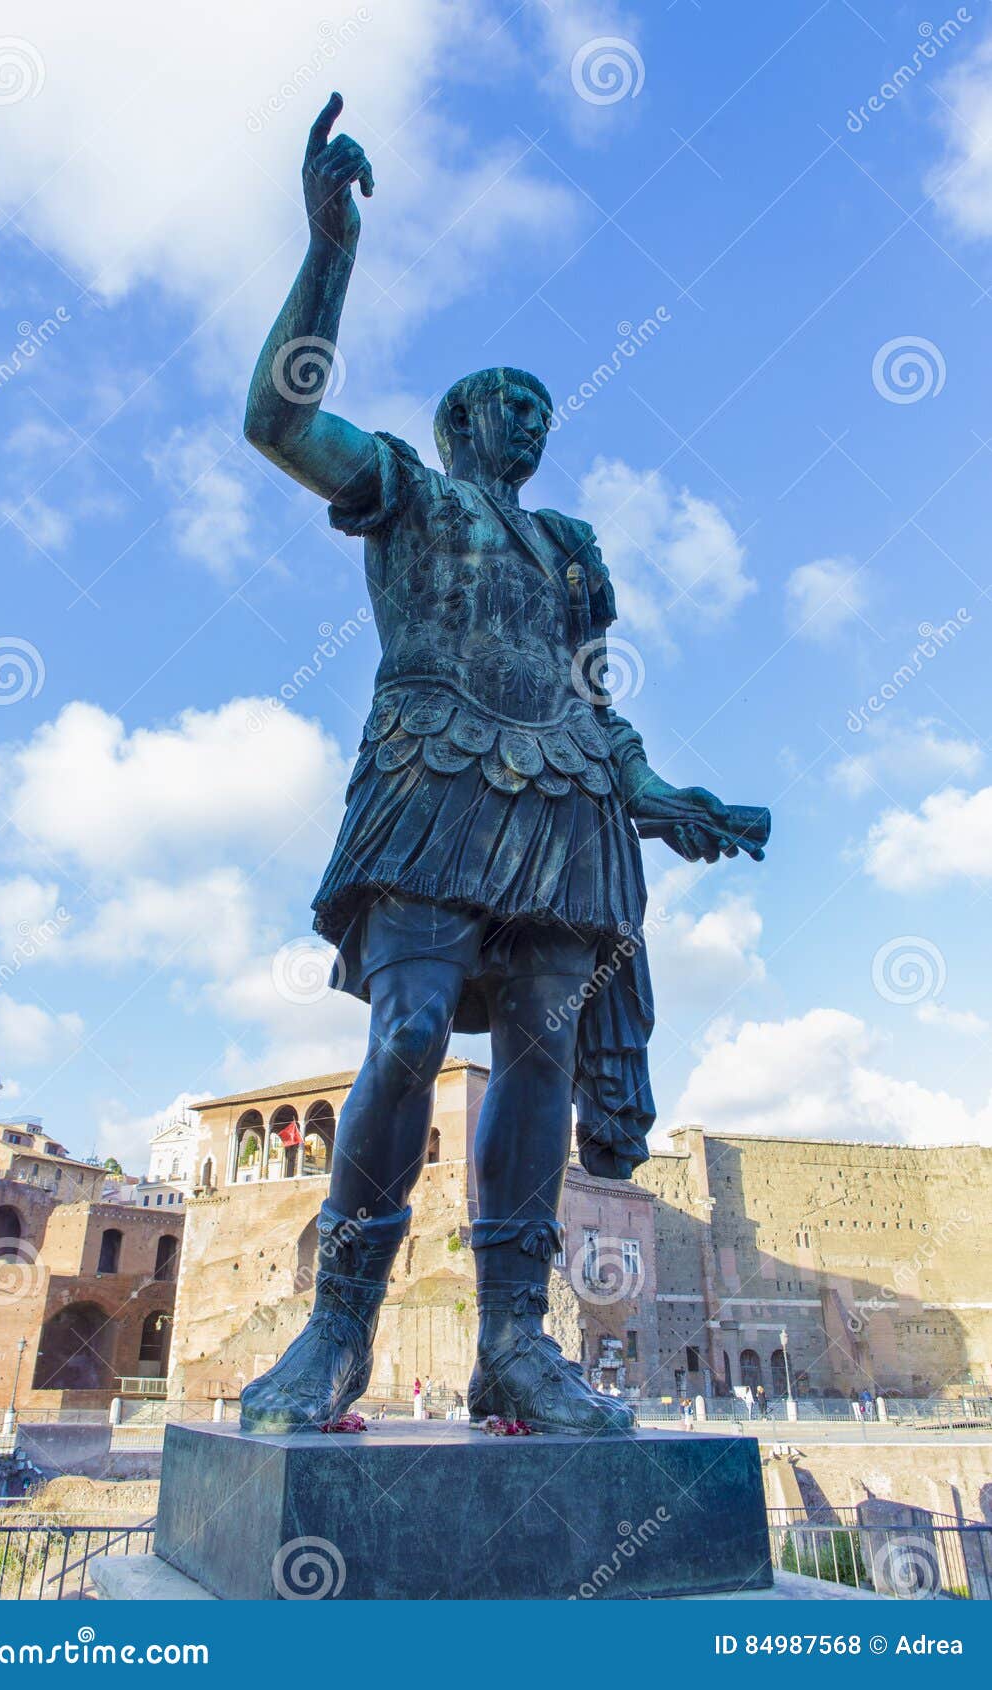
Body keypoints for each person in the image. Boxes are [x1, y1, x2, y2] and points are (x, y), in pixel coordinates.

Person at [238, 93, 770, 1438]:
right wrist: (331, 255)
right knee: (412, 1032)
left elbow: (596, 698)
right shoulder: (409, 492)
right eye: (507, 402)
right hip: (435, 777)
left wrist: (659, 794)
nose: (531, 418)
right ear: (461, 422)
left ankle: (513, 1343)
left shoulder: (571, 546)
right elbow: (276, 421)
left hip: (564, 804)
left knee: (538, 1045)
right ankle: (340, 1325)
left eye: (544, 406)